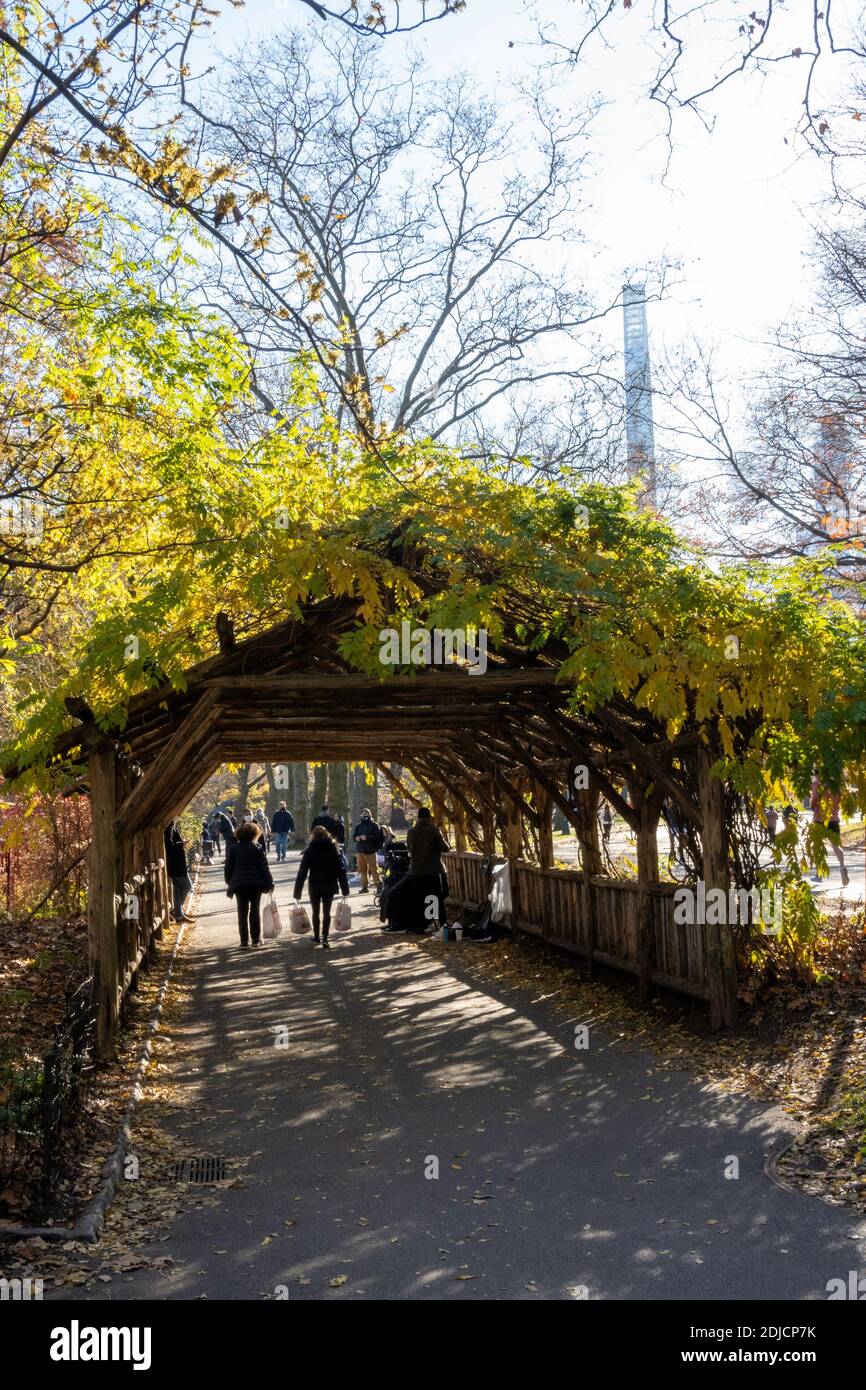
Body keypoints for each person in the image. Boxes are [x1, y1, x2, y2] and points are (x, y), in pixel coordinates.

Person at [293, 825, 349, 949]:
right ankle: (325, 937)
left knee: (315, 912)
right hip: (329, 884)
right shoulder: (333, 848)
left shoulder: (310, 850)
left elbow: (302, 872)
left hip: (315, 884)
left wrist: (297, 892)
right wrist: (345, 888)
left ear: (313, 835)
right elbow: (341, 870)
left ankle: (317, 937)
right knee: (327, 912)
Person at [224, 821, 274, 949]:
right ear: (254, 834)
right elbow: (264, 867)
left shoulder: (234, 848)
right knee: (254, 911)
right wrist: (269, 882)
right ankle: (255, 940)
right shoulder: (257, 847)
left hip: (239, 884)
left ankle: (244, 941)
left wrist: (230, 881)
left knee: (242, 912)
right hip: (255, 884)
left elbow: (228, 867)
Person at [406, 806, 450, 934]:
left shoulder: (411, 832)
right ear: (429, 817)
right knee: (435, 897)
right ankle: (442, 922)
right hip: (433, 870)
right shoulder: (434, 831)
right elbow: (445, 848)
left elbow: (409, 848)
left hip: (416, 871)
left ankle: (420, 924)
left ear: (418, 818)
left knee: (419, 899)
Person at [809, 775, 849, 886]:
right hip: (834, 820)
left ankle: (819, 874)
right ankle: (842, 867)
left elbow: (814, 801)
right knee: (836, 846)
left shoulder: (817, 783)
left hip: (820, 819)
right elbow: (840, 800)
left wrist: (814, 807)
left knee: (818, 846)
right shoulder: (836, 784)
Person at [164, 820, 194, 923]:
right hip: (176, 865)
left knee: (177, 890)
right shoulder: (168, 828)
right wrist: (181, 844)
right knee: (187, 886)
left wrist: (181, 843)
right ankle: (177, 911)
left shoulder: (173, 826)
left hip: (176, 864)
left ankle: (179, 915)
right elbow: (169, 847)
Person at [352, 808, 384, 890]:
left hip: (371, 851)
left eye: (366, 813)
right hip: (360, 851)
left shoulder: (374, 825)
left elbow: (378, 837)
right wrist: (356, 838)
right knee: (362, 870)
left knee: (374, 869)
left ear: (370, 814)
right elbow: (354, 837)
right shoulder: (358, 826)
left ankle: (379, 885)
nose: (364, 815)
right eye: (363, 813)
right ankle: (365, 886)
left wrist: (367, 837)